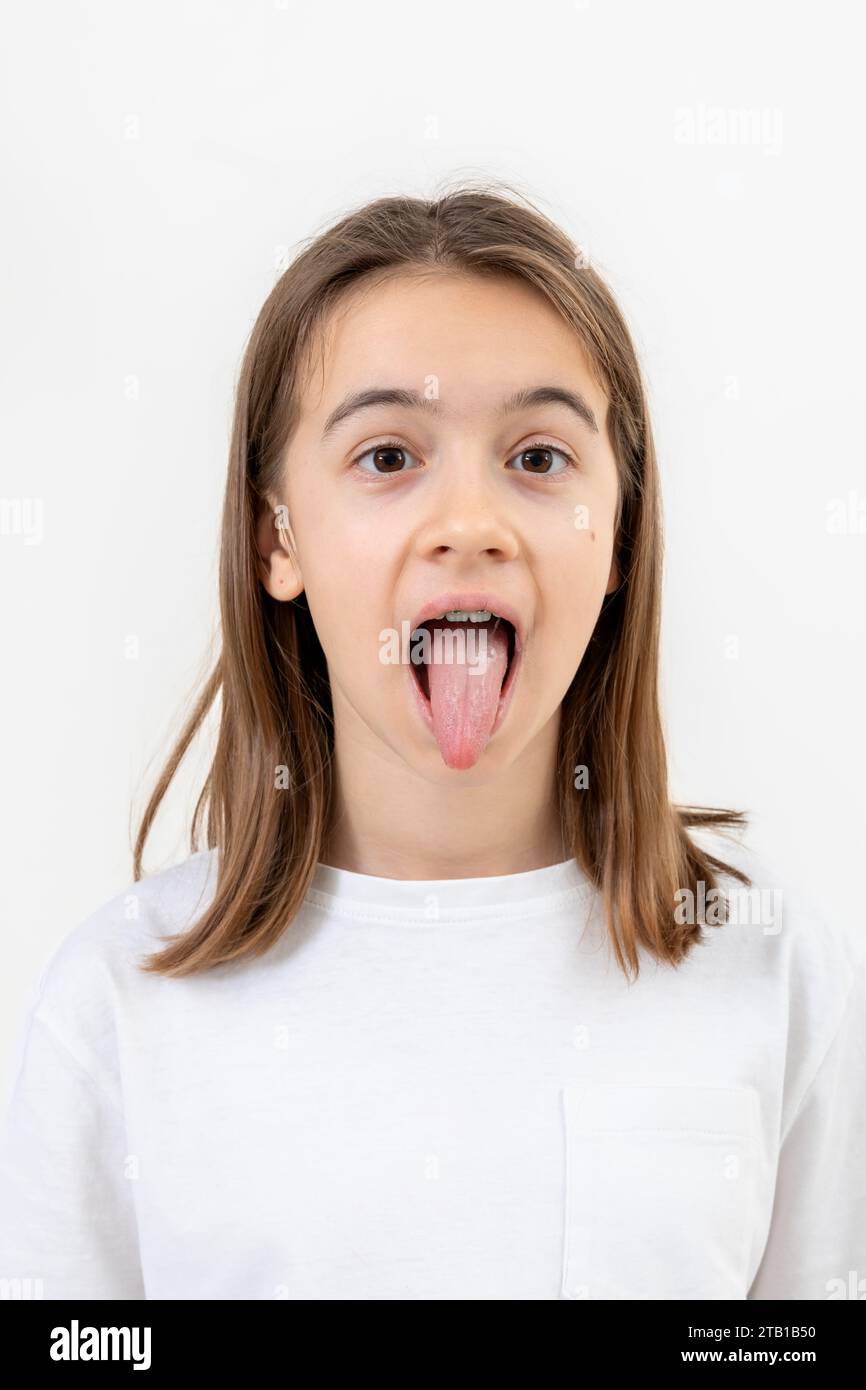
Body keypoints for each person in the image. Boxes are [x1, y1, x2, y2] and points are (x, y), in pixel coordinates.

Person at [1, 185, 863, 1301]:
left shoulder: (766, 965)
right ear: (278, 535)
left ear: (618, 539)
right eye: (386, 456)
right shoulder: (113, 1004)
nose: (468, 522)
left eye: (540, 457)